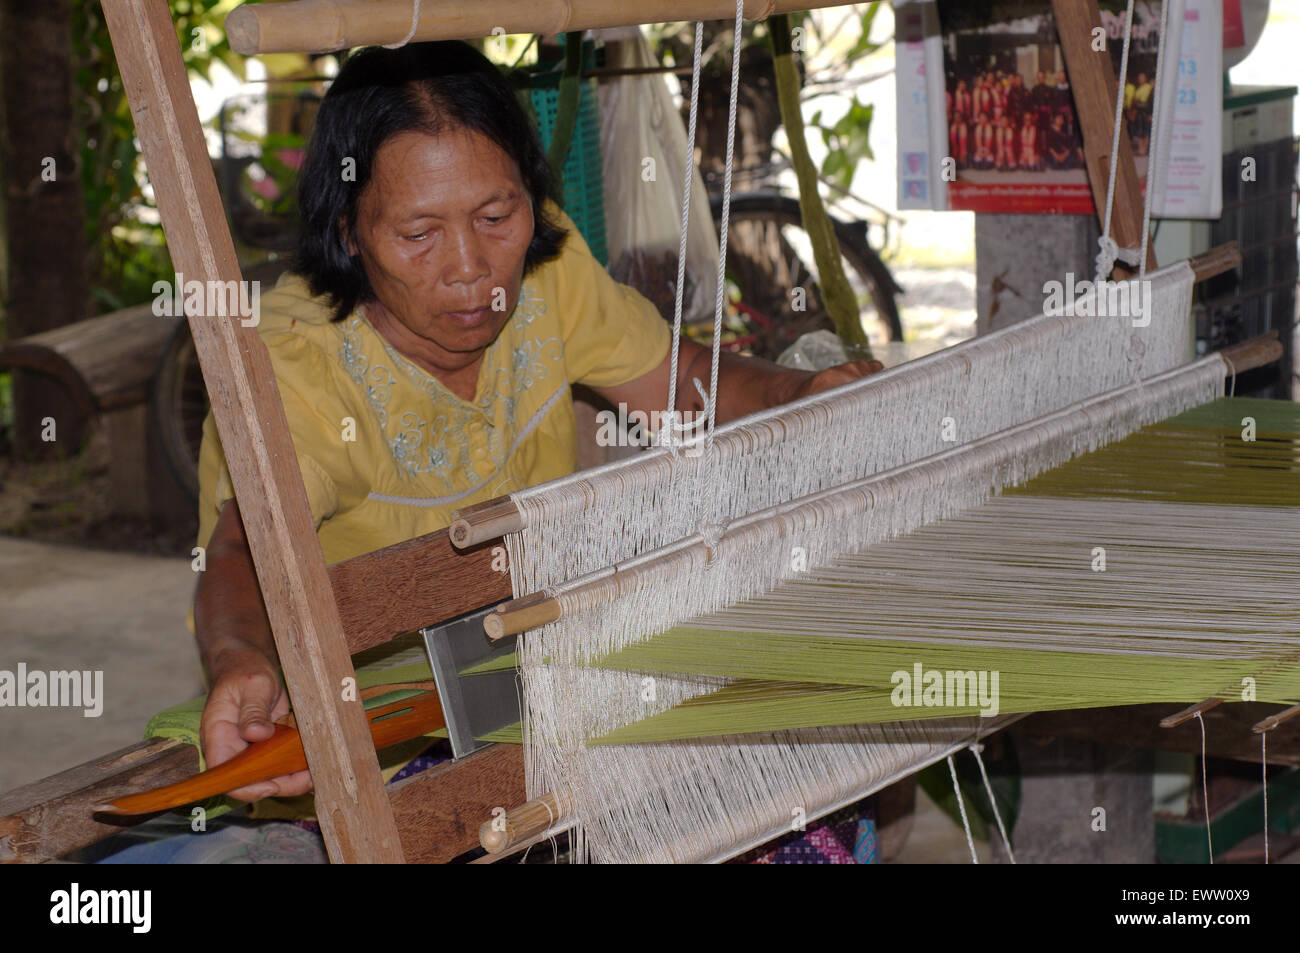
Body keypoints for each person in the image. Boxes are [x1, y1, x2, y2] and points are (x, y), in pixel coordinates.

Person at [122, 40, 885, 862]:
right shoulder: (294, 368)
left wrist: (797, 395)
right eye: (418, 233)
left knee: (805, 812)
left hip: (548, 684)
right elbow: (243, 550)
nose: (472, 268)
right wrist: (240, 657)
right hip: (386, 727)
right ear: (348, 230)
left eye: (497, 216)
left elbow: (683, 380)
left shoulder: (547, 275)